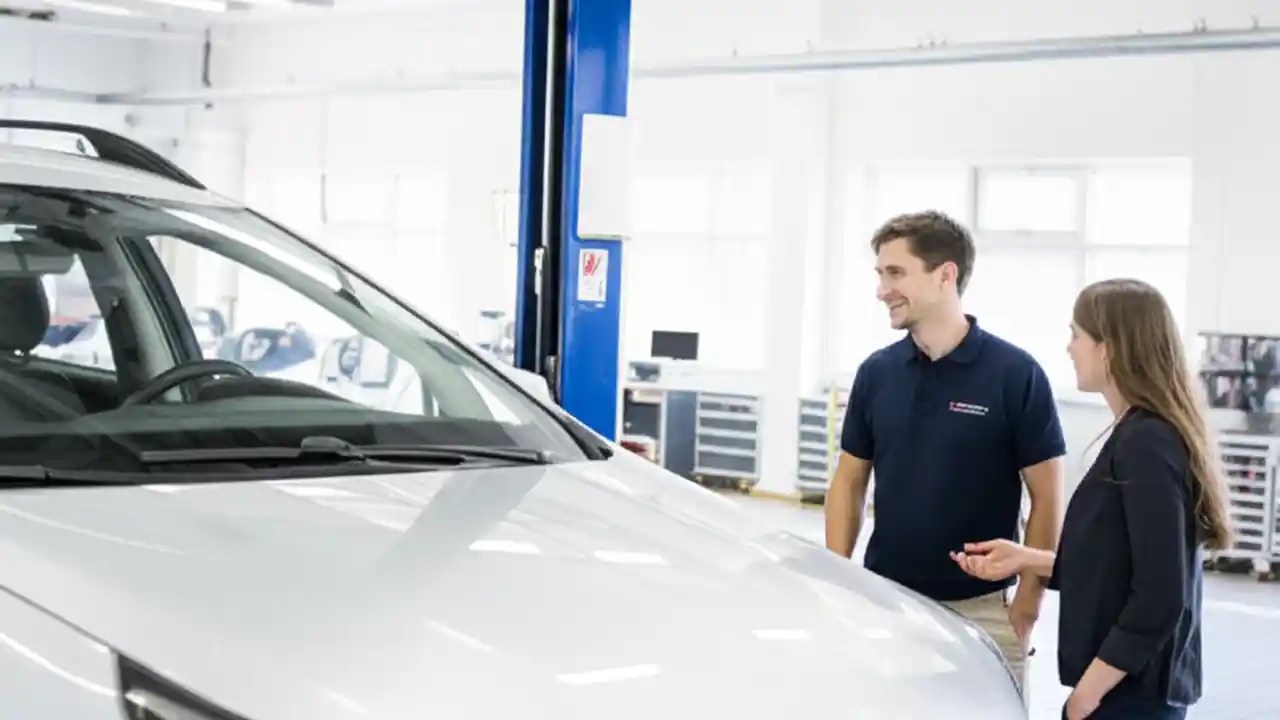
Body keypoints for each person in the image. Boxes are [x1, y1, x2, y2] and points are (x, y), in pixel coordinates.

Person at [952, 278, 1231, 720]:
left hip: (1130, 696)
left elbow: (1160, 596)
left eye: (1076, 335)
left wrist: (1088, 695)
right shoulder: (1139, 434)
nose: (1069, 348)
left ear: (1110, 347)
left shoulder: (1147, 443)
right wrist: (1028, 559)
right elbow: (1117, 565)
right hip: (1125, 690)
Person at [825, 210, 1066, 692]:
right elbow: (850, 480)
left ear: (945, 275)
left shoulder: (1015, 373)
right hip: (885, 601)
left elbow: (1047, 495)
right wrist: (838, 580)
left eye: (895, 273)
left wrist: (1027, 607)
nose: (881, 289)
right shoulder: (877, 373)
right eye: (880, 273)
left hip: (981, 610)